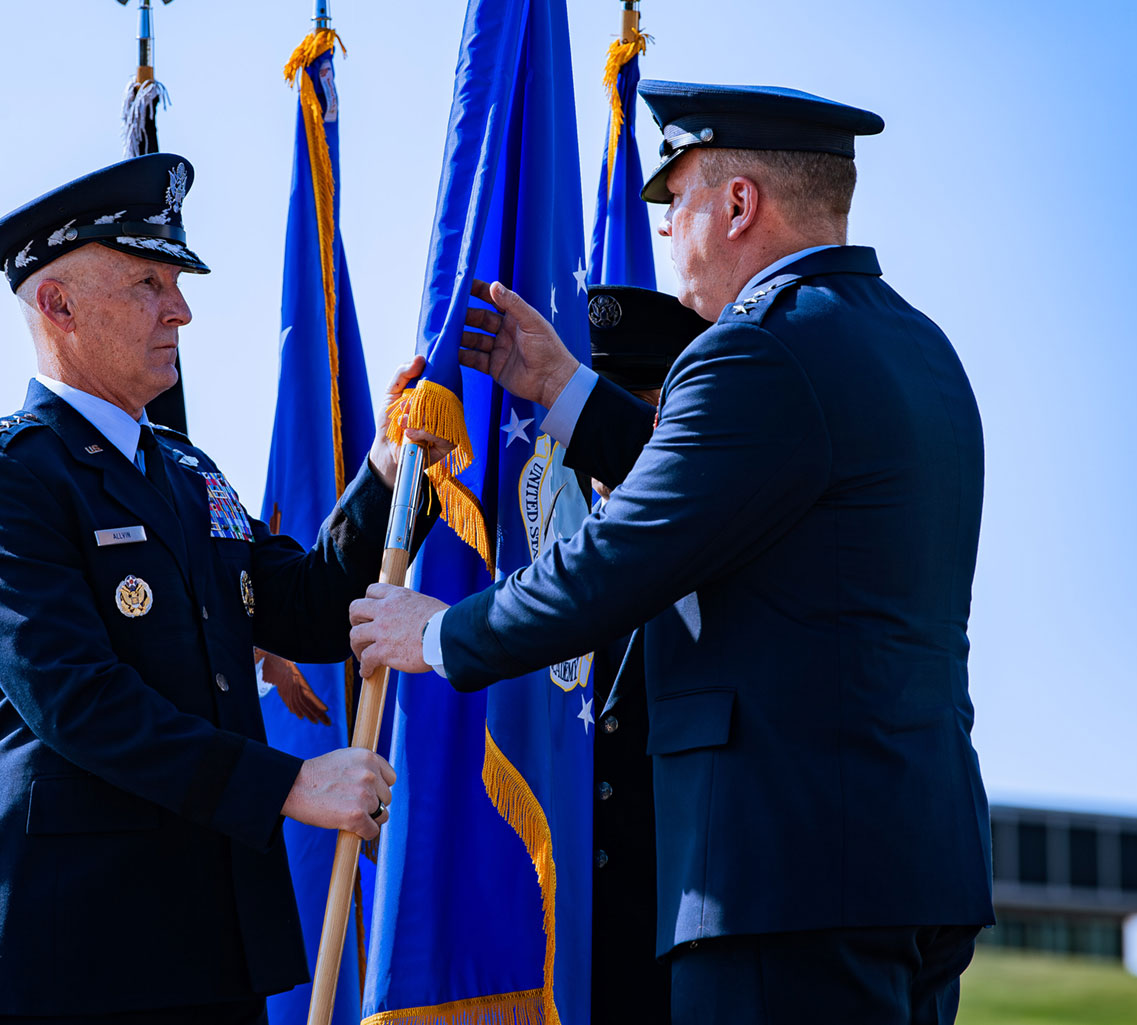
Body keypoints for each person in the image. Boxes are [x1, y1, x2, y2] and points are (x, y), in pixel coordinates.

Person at [349, 82, 993, 1023]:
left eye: (678, 196)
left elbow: (624, 553)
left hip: (782, 883)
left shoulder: (756, 353)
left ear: (740, 205)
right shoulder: (918, 348)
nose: (663, 229)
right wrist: (568, 391)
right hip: (912, 870)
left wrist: (444, 635)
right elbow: (730, 491)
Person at [0, 153, 447, 1025]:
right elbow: (78, 700)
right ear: (58, 305)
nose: (182, 309)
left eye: (176, 281)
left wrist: (393, 469)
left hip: (203, 947)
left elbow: (307, 606)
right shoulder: (5, 480)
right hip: (65, 963)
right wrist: (288, 783)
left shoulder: (184, 471)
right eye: (147, 282)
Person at [583, 284, 709, 1023]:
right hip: (558, 940)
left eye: (642, 401)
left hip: (675, 951)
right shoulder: (544, 550)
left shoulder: (719, 532)